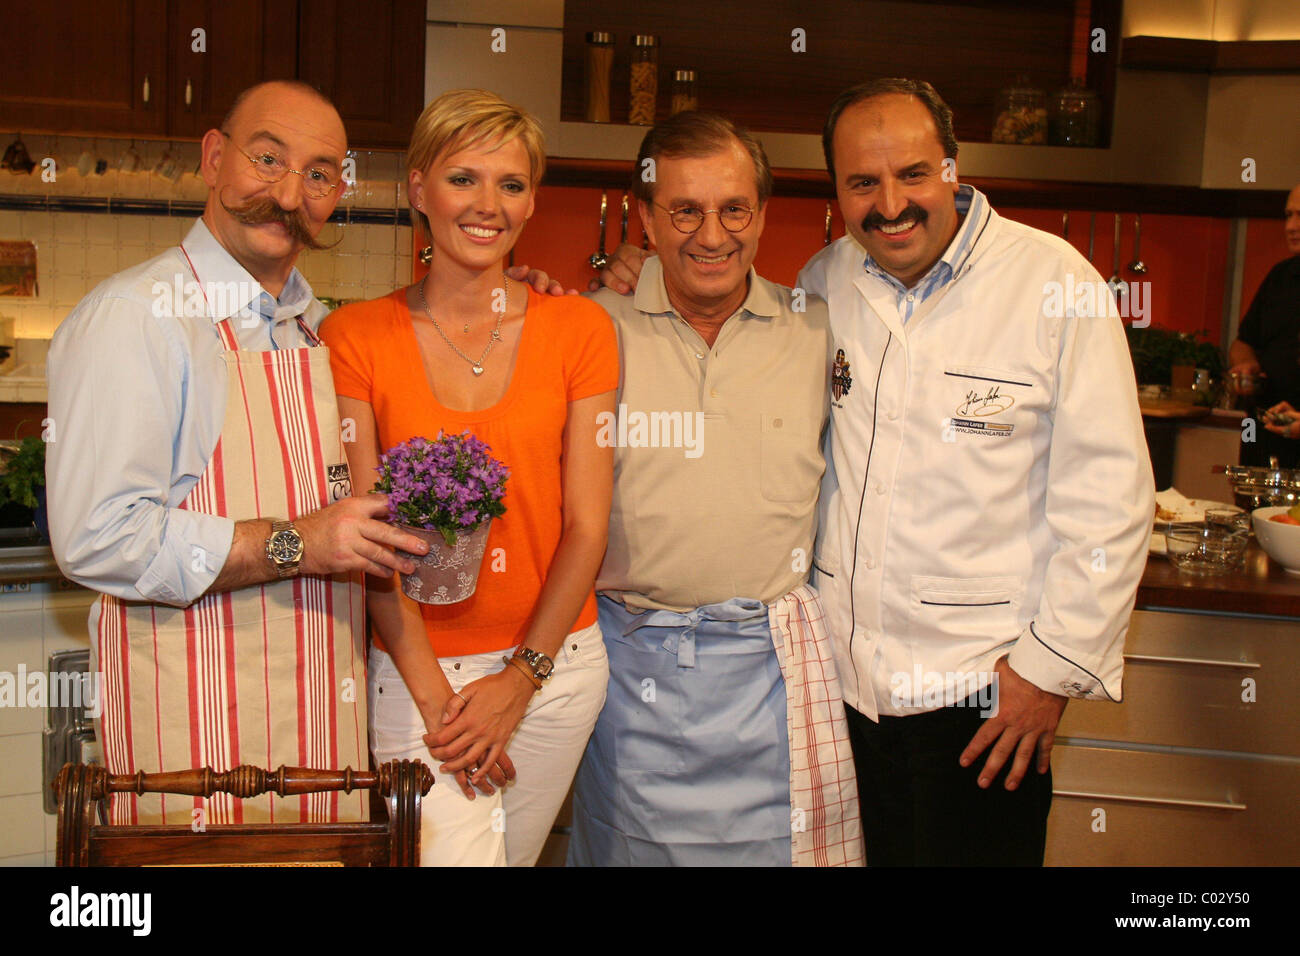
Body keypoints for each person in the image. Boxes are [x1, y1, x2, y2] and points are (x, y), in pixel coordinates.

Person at [581, 80, 1153, 866]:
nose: (892, 204)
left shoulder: (1054, 283)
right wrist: (615, 281)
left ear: (953, 168)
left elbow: (1113, 500)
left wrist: (1048, 674)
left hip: (984, 696)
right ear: (836, 192)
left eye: (913, 174)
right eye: (862, 183)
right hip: (838, 697)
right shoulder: (825, 286)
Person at [46, 81, 430, 826]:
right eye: (267, 159)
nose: (289, 194)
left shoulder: (322, 332)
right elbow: (98, 537)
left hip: (323, 746)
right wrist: (298, 543)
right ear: (215, 157)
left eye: (319, 174)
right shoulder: (138, 319)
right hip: (193, 750)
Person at [318, 89, 618, 867]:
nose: (487, 204)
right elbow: (366, 533)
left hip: (555, 668)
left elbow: (588, 524)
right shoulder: (352, 336)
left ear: (530, 204)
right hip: (413, 669)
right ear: (418, 189)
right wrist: (440, 704)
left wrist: (520, 681)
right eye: (464, 179)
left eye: (511, 185)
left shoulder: (580, 328)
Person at [563, 111, 862, 867]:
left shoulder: (817, 330)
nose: (712, 235)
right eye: (685, 211)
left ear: (761, 215)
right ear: (646, 219)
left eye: (734, 209)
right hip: (633, 676)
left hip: (773, 679)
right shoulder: (588, 329)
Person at [1227, 183, 1300, 465]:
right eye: (1288, 215)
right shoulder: (1280, 278)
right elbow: (1244, 342)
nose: (1291, 226)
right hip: (1266, 438)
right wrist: (1246, 366)